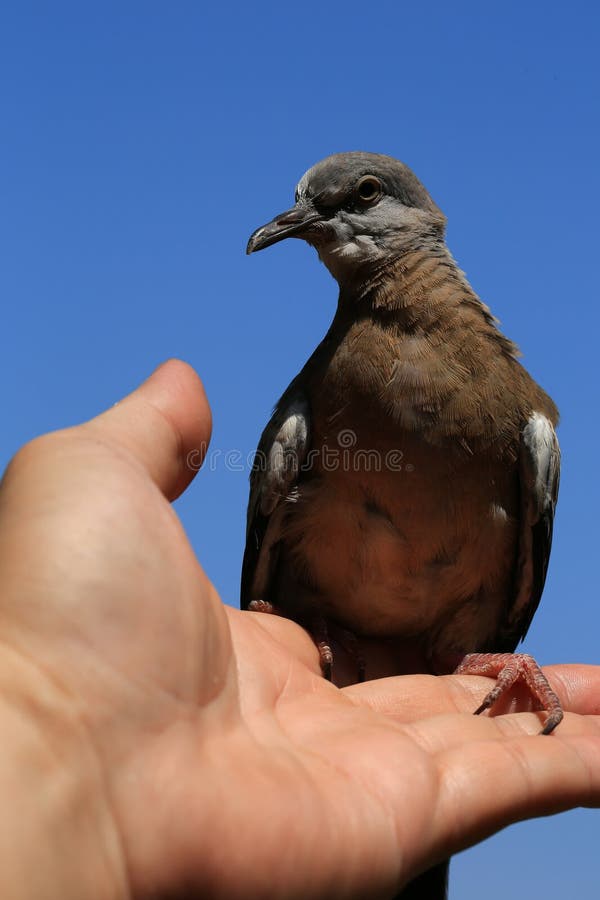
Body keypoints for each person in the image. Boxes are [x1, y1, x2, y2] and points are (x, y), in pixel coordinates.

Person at [0, 358, 598, 899]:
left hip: (436, 677)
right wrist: (56, 726)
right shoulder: (313, 404)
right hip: (320, 672)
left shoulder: (522, 419)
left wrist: (481, 656)